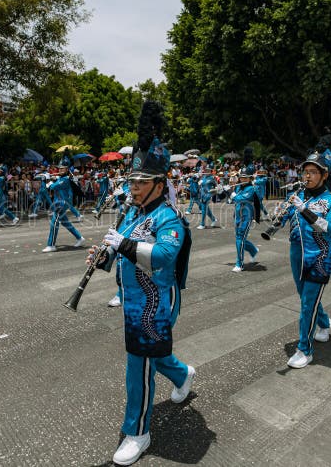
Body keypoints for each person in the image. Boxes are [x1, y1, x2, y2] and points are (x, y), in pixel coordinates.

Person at [87, 101, 194, 465]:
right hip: (133, 300)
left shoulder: (170, 217)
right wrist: (103, 257)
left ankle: (138, 432)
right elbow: (122, 252)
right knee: (154, 358)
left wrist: (126, 244)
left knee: (139, 367)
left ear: (159, 184)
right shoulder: (133, 212)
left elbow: (163, 256)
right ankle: (183, 374)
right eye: (131, 180)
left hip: (156, 303)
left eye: (139, 181)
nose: (132, 187)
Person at [278, 141, 331, 368]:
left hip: (320, 255)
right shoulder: (301, 196)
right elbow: (286, 221)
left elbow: (329, 228)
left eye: (313, 172)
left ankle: (304, 350)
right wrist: (279, 214)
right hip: (296, 252)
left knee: (308, 303)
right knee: (306, 297)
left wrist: (303, 209)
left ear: (324, 174)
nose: (307, 176)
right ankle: (324, 322)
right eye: (305, 172)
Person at [41, 157, 85, 253]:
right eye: (59, 168)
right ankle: (79, 237)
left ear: (67, 169)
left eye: (62, 168)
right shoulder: (61, 178)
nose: (60, 170)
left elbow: (52, 187)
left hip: (62, 203)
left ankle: (51, 245)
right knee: (65, 222)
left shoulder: (65, 179)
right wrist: (53, 178)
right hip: (58, 203)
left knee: (54, 222)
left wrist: (48, 180)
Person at [230, 147, 261, 272]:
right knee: (239, 237)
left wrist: (230, 193)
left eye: (245, 178)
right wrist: (223, 189)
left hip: (246, 218)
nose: (242, 180)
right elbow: (233, 199)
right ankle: (253, 250)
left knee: (240, 238)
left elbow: (239, 199)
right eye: (241, 177)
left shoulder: (251, 189)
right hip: (237, 216)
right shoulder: (239, 187)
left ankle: (240, 263)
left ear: (250, 178)